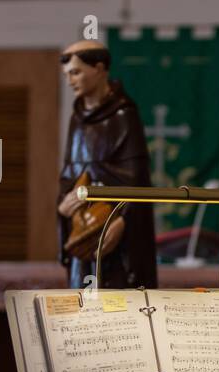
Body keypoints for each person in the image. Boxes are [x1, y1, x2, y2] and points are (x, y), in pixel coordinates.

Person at [57, 44, 157, 289]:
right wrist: (64, 203)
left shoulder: (124, 116)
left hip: (118, 236)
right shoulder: (76, 119)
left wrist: (124, 220)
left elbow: (137, 182)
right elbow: (71, 174)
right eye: (67, 74)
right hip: (83, 228)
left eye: (76, 72)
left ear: (99, 69)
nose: (70, 81)